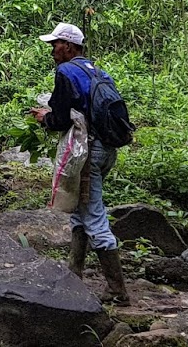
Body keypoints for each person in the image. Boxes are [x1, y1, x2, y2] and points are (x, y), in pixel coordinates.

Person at [30, 22, 130, 305]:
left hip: (86, 151)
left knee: (94, 217)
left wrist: (45, 119)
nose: (53, 50)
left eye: (56, 44)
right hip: (107, 149)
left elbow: (62, 118)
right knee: (79, 209)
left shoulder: (66, 71)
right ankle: (74, 272)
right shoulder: (97, 70)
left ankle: (117, 291)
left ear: (70, 46)